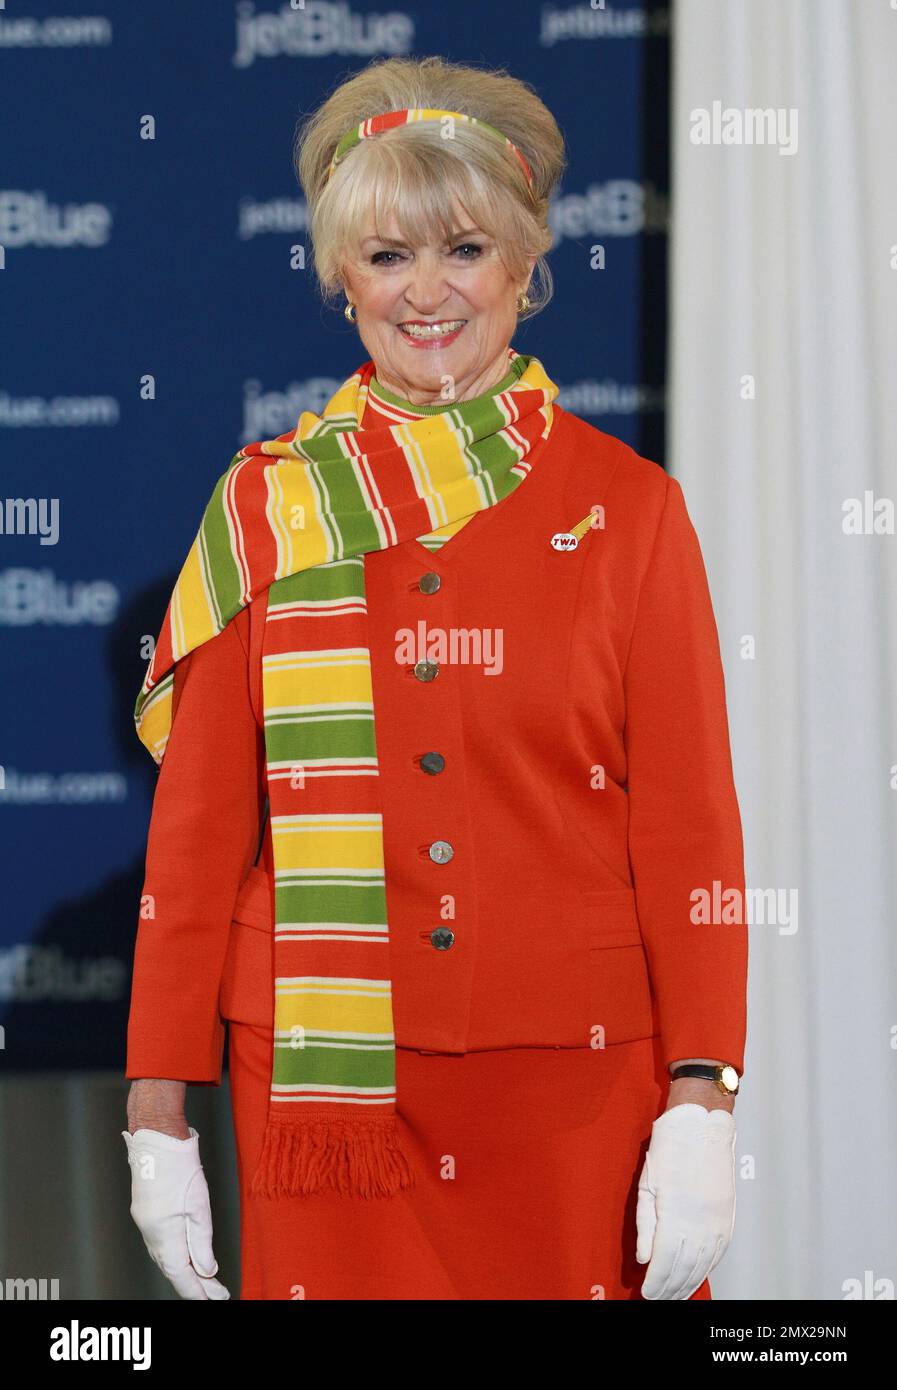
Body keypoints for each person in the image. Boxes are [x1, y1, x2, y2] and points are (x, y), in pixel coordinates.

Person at [123, 55, 748, 1302]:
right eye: (387, 255)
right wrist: (157, 1113)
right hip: (325, 1103)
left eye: (463, 248)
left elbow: (688, 829)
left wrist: (703, 1092)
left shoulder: (631, 510)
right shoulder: (271, 504)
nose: (426, 293)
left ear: (525, 264)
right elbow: (197, 842)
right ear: (340, 276)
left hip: (579, 1089)